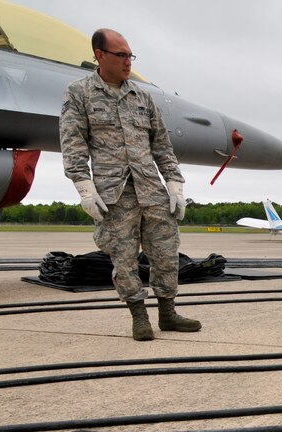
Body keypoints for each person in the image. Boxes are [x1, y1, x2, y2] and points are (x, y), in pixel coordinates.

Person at [59, 28, 200, 341]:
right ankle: (139, 316)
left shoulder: (142, 96)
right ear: (100, 54)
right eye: (121, 55)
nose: (128, 62)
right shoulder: (79, 93)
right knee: (124, 259)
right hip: (114, 194)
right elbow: (73, 143)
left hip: (152, 189)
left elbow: (162, 145)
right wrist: (84, 187)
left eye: (130, 55)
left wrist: (175, 183)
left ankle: (168, 313)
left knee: (166, 252)